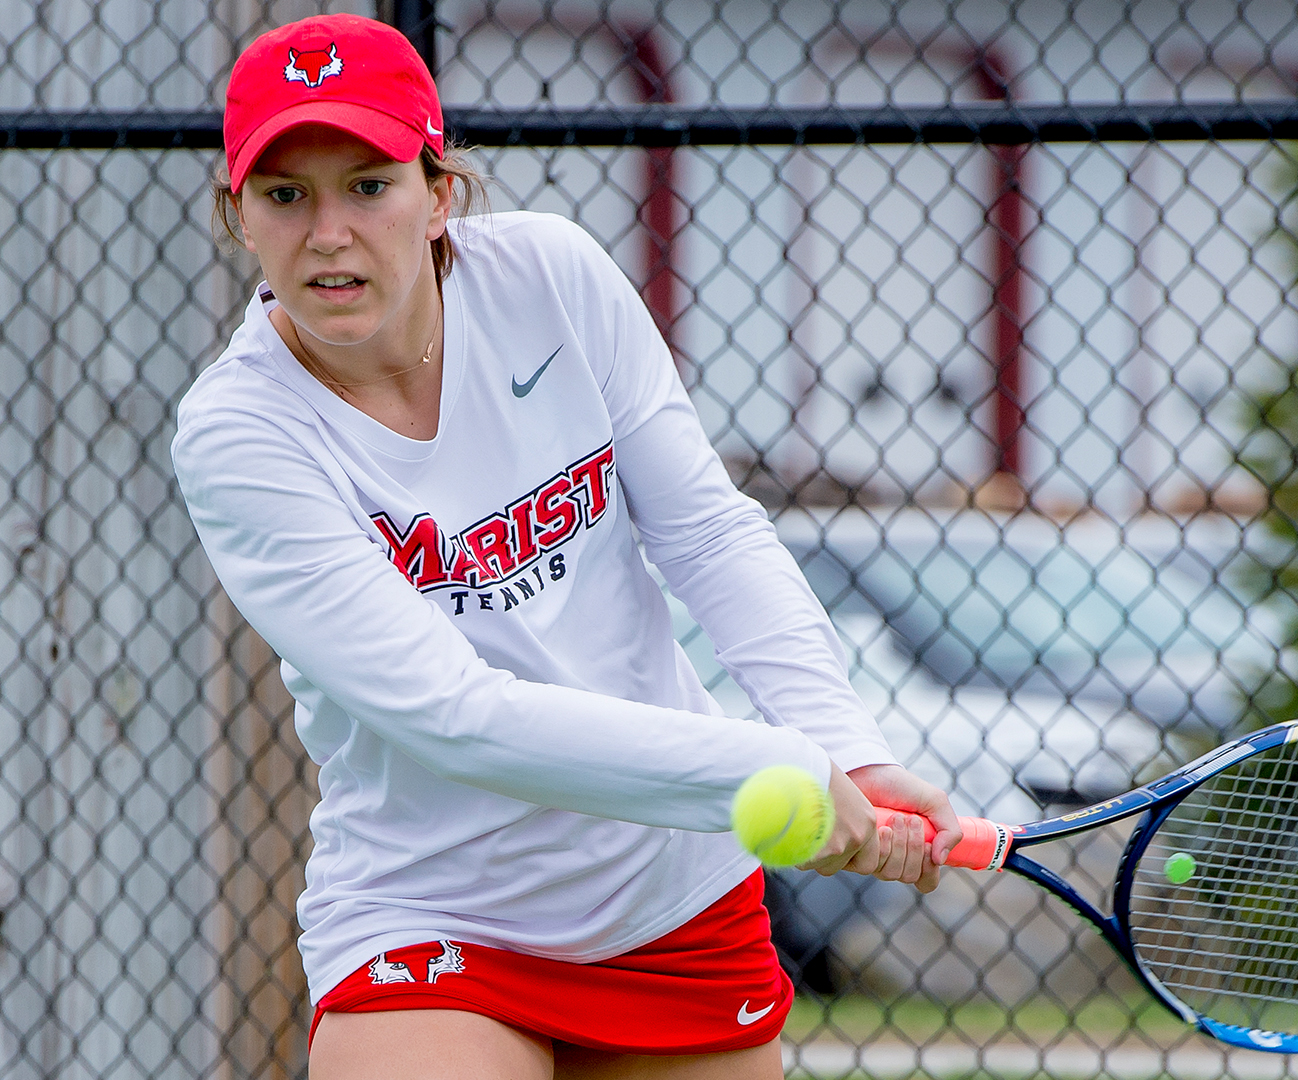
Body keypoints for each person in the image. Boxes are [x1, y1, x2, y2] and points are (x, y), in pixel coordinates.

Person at [172, 14, 964, 1079]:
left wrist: (844, 745)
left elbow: (705, 528)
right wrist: (773, 768)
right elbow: (457, 716)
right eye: (285, 195)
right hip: (432, 906)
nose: (328, 232)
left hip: (666, 893)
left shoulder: (551, 274)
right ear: (239, 217)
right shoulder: (239, 434)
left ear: (439, 192)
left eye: (369, 184)